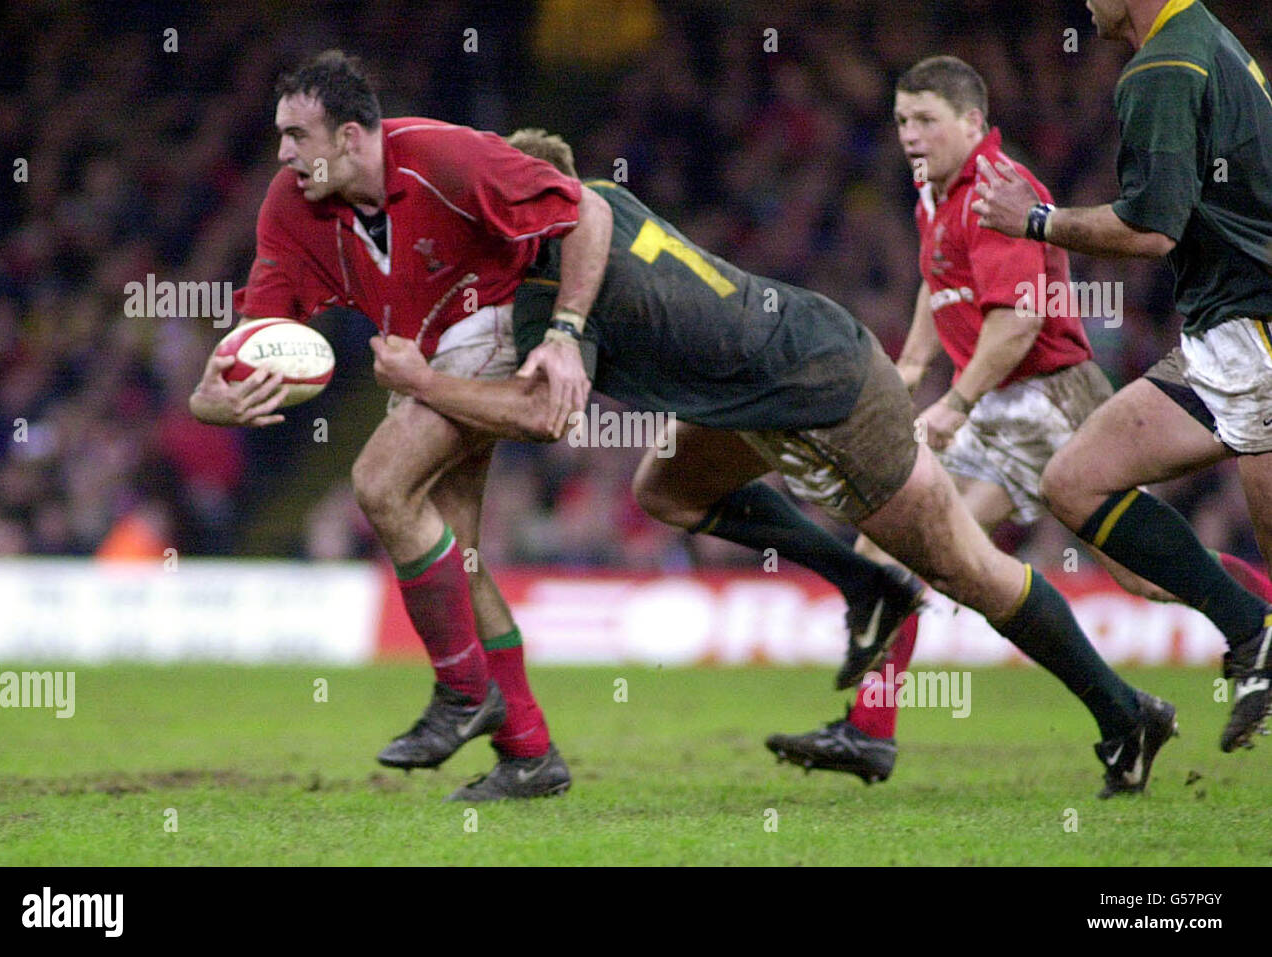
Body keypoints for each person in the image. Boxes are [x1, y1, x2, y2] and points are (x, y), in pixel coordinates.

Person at [372, 129, 1178, 798]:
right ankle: (865, 582)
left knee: (973, 571)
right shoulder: (607, 207)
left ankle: (1124, 713)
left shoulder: (555, 286)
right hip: (770, 378)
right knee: (666, 486)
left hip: (824, 389)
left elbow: (541, 414)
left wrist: (420, 381)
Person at [766, 55, 1272, 784]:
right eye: (902, 120)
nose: (910, 134)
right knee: (902, 544)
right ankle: (876, 731)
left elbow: (1018, 320)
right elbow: (936, 282)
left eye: (926, 121)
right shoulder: (933, 192)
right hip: (1001, 405)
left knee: (1142, 577)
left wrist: (955, 401)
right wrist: (911, 365)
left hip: (1049, 396)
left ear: (973, 123)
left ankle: (1236, 642)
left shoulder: (997, 192)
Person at [188, 51, 614, 801]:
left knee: (380, 482)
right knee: (462, 554)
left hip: (496, 318)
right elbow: (259, 334)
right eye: (280, 136)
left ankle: (462, 693)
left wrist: (567, 331)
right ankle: (530, 753)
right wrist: (212, 397)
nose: (283, 153)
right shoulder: (291, 204)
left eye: (297, 135)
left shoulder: (446, 158)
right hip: (422, 353)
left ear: (350, 137)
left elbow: (589, 211)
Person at [972, 0, 1272, 752]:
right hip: (1218, 340)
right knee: (1076, 479)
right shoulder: (1209, 37)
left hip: (1259, 330)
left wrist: (1035, 220)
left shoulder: (1167, 64)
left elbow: (1151, 227)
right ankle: (1251, 627)